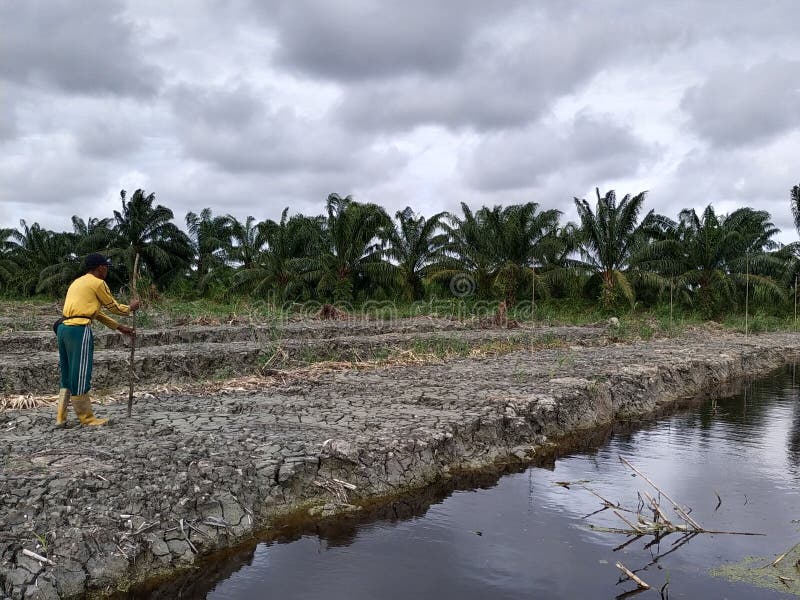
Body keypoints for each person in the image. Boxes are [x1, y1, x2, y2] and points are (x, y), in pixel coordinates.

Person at [56, 253, 140, 426]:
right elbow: (112, 307)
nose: (107, 270)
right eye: (106, 267)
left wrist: (119, 327)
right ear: (100, 267)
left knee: (67, 374)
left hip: (63, 328)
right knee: (80, 373)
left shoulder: (77, 282)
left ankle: (60, 417)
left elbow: (97, 312)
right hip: (79, 329)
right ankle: (87, 418)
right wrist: (129, 308)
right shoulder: (98, 283)